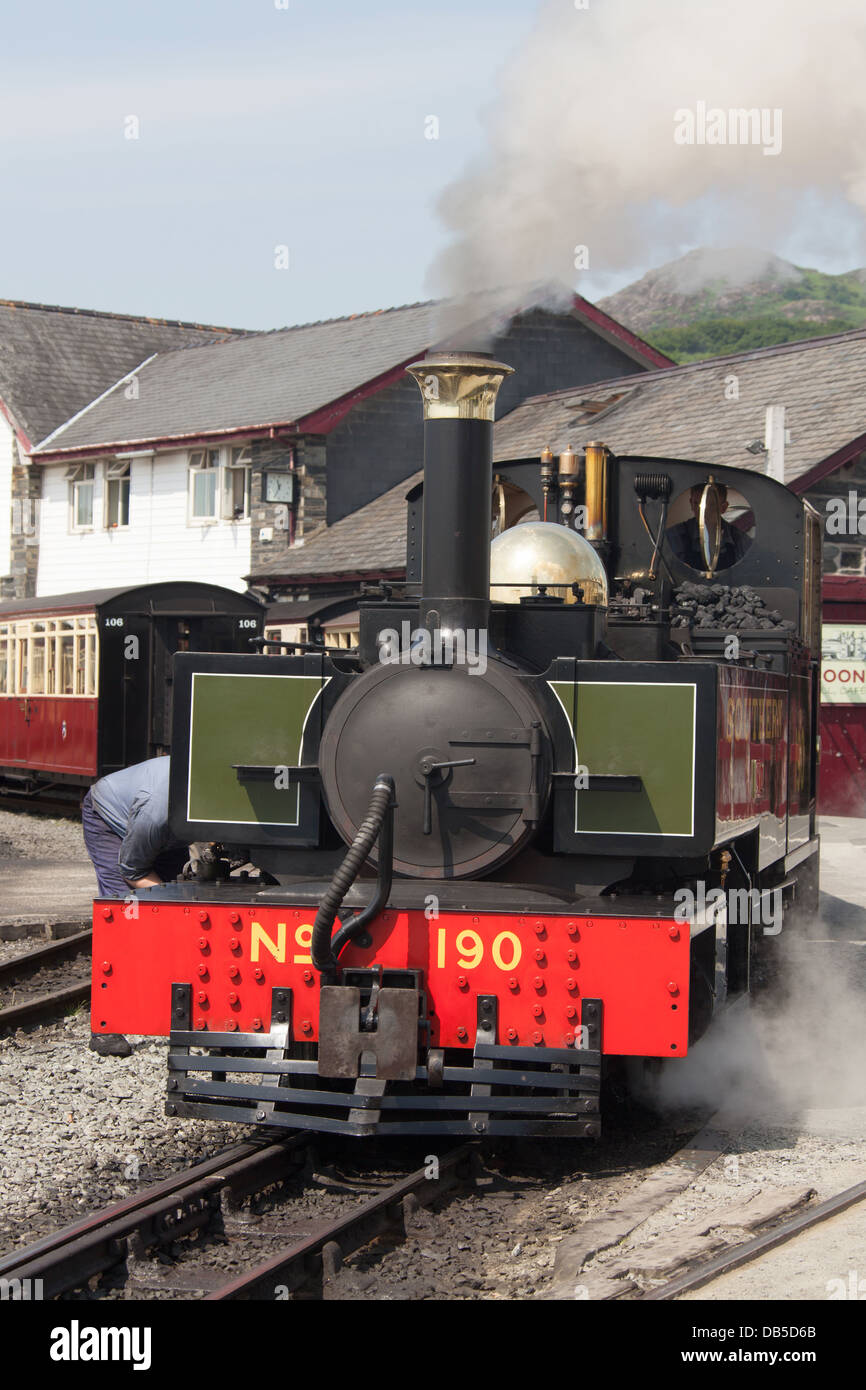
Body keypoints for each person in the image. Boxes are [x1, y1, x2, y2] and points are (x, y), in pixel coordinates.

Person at [82, 756, 189, 1055]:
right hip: (111, 821)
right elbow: (133, 871)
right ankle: (105, 1027)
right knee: (127, 916)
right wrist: (177, 903)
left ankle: (173, 1009)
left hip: (169, 835)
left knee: (171, 912)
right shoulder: (156, 809)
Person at [667, 483, 749, 572]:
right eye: (697, 504)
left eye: (711, 505)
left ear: (723, 507)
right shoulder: (674, 536)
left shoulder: (740, 540)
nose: (702, 512)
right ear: (691, 504)